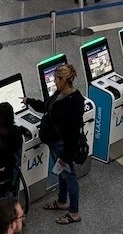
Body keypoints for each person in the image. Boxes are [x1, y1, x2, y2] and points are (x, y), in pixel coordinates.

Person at [42, 63, 86, 225]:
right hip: (56, 143)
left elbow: (72, 134)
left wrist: (65, 156)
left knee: (70, 176)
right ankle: (62, 202)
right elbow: (47, 106)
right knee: (63, 174)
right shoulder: (60, 93)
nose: (54, 82)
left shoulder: (73, 101)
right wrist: (29, 101)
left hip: (63, 146)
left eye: (56, 79)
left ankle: (74, 212)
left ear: (64, 80)